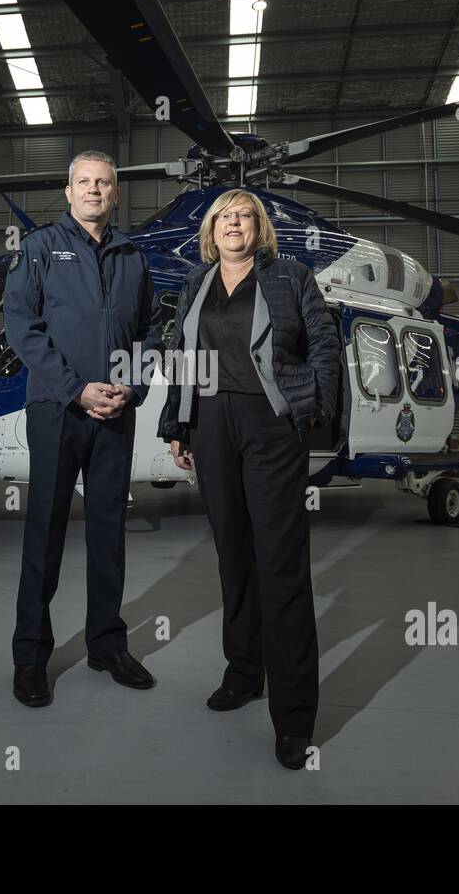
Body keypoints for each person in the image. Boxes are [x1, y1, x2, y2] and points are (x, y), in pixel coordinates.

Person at [158, 189, 341, 770]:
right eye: (223, 217)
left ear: (260, 228)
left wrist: (313, 412)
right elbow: (181, 357)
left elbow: (324, 343)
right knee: (233, 556)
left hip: (270, 425)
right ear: (210, 230)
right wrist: (177, 424)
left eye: (244, 216)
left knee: (280, 565)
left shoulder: (291, 277)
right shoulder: (197, 282)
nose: (233, 223)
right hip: (211, 423)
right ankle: (242, 673)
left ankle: (294, 717)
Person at [3, 150, 163, 708]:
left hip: (116, 412)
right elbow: (22, 328)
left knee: (108, 532)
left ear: (115, 194)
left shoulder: (132, 256)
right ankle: (30, 657)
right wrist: (76, 388)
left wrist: (130, 389)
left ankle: (106, 646)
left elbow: (149, 333)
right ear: (69, 191)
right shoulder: (39, 248)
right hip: (57, 410)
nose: (94, 190)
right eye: (84, 182)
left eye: (104, 183)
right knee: (44, 532)